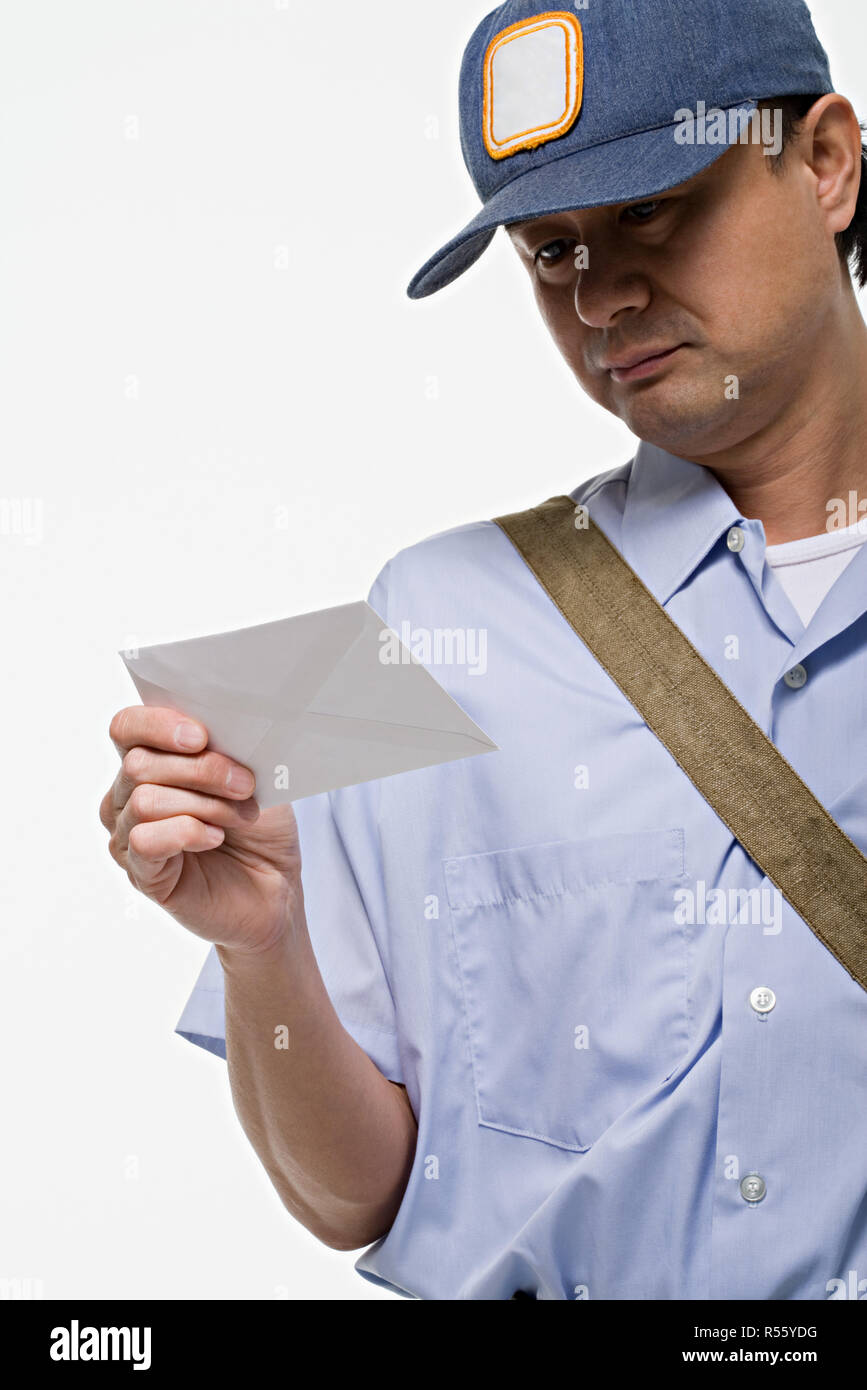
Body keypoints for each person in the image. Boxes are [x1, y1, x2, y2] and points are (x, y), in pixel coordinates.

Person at [101, 0, 867, 1299]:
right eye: (550, 249)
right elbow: (359, 1195)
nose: (605, 293)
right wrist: (262, 945)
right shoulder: (434, 625)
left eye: (654, 208)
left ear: (828, 159)